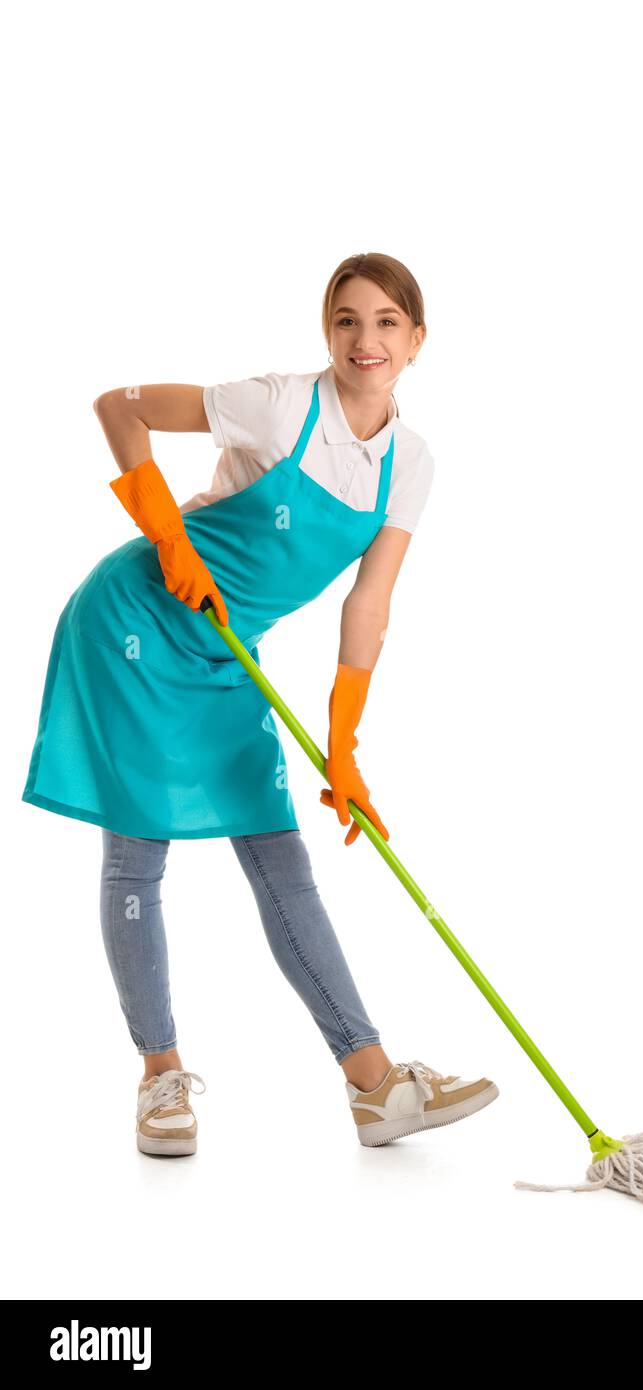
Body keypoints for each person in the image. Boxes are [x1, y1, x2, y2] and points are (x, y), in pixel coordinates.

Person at [21, 252, 499, 1157]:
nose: (367, 340)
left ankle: (374, 1085)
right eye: (348, 320)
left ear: (418, 341)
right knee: (140, 852)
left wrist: (345, 744)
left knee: (281, 857)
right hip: (136, 618)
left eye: (388, 322)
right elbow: (119, 408)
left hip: (226, 652)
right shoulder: (280, 403)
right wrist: (168, 534)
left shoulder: (411, 463)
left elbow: (369, 604)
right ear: (328, 332)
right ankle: (159, 1079)